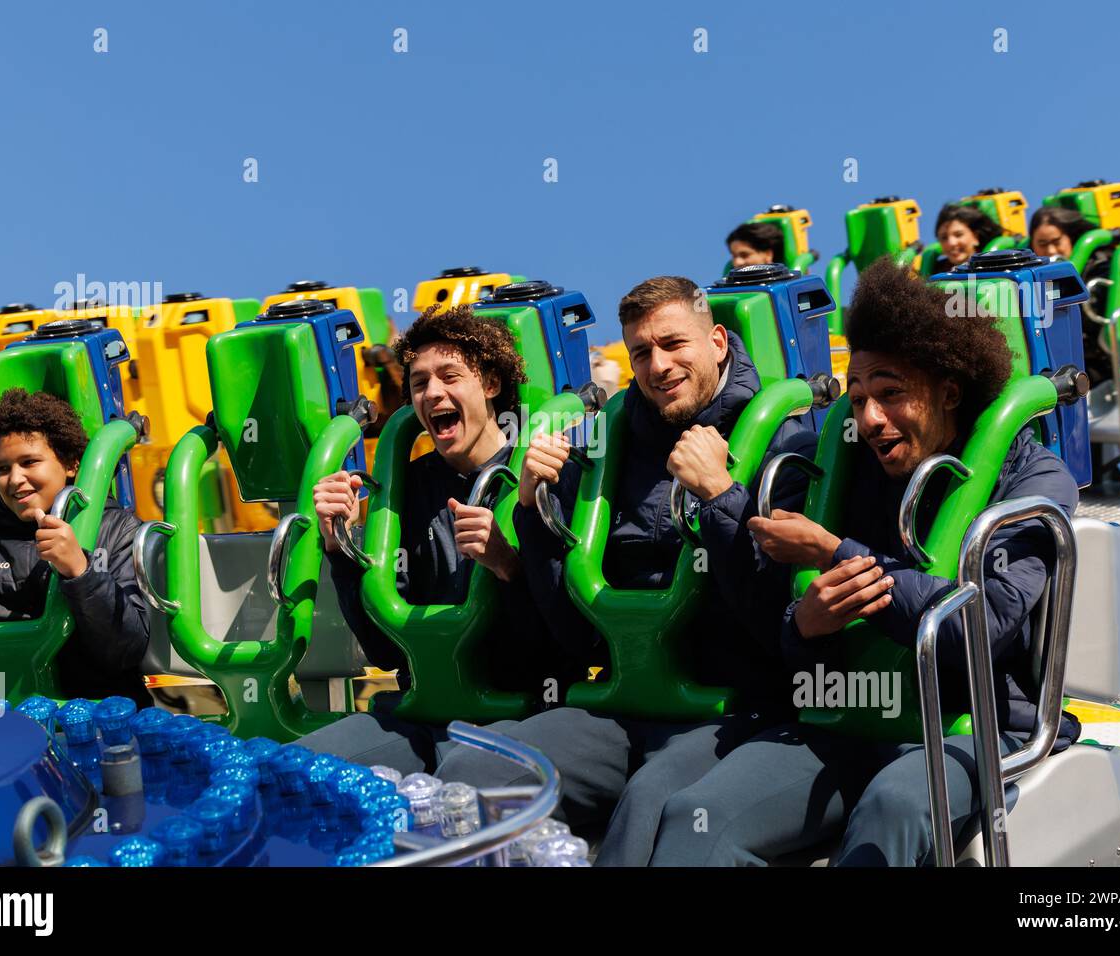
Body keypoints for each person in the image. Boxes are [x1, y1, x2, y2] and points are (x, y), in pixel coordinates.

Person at [646, 257, 1080, 866]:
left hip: (973, 728)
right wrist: (807, 628)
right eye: (858, 401)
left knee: (893, 807)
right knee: (696, 821)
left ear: (948, 391)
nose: (871, 419)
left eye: (891, 393)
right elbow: (790, 642)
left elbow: (979, 628)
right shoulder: (846, 476)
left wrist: (834, 552)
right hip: (852, 720)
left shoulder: (1036, 479)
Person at [430, 275, 816, 865]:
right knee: (471, 769)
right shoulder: (606, 443)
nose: (658, 365)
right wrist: (533, 513)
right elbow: (573, 632)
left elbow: (776, 617)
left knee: (653, 803)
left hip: (733, 707)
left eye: (673, 344)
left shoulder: (786, 440)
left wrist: (719, 496)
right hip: (621, 702)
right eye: (641, 352)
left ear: (716, 341)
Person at [300, 304, 584, 774]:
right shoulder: (403, 490)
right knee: (301, 770)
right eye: (419, 383)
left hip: (523, 711)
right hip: (423, 709)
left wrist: (508, 566)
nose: (433, 393)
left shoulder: (546, 477)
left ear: (490, 385)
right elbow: (386, 651)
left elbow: (570, 642)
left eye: (450, 376)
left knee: (463, 779)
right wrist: (341, 547)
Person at [0, 388, 151, 704]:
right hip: (8, 730)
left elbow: (125, 649)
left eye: (29, 462)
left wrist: (80, 570)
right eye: (3, 468)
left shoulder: (115, 530)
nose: (15, 479)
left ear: (71, 463)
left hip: (101, 724)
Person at [1029, 205, 1115, 387]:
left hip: (1093, 371)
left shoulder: (1099, 269)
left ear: (1070, 239)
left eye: (1056, 242)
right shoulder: (1029, 279)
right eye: (1042, 244)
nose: (1051, 250)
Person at [930, 203, 1003, 271]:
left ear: (975, 237)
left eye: (958, 235)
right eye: (944, 237)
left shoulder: (1000, 266)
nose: (951, 243)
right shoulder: (934, 272)